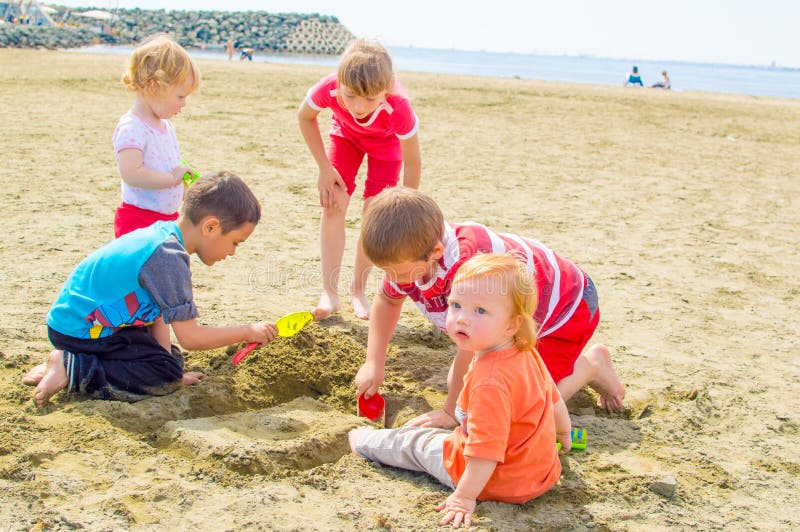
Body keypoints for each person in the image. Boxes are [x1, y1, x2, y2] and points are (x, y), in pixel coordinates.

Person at [354, 187, 625, 429]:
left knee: (520, 411)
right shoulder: (410, 254)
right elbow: (388, 300)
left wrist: (451, 412)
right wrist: (373, 363)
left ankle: (591, 365)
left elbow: (470, 343)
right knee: (464, 386)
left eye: (397, 272)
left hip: (566, 310)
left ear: (435, 252)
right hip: (503, 314)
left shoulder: (468, 266)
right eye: (384, 270)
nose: (392, 278)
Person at [349, 254, 572, 528]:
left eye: (480, 311)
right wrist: (562, 434)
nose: (462, 319)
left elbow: (485, 452)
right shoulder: (526, 351)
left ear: (511, 324)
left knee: (414, 442)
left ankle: (363, 442)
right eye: (456, 305)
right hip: (540, 473)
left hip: (494, 481)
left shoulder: (489, 380)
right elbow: (554, 401)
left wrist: (464, 497)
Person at [22, 172, 278, 407]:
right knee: (159, 375)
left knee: (170, 364)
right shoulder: (167, 257)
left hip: (100, 325)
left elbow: (155, 314)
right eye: (235, 242)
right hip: (80, 331)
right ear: (210, 227)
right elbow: (192, 338)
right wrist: (246, 331)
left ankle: (65, 364)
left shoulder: (167, 239)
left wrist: (170, 370)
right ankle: (71, 367)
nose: (233, 252)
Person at [298, 38, 422, 321]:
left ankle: (358, 290)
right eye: (351, 95)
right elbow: (304, 117)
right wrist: (324, 168)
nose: (359, 106)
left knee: (374, 216)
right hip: (345, 139)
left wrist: (405, 202)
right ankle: (329, 292)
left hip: (386, 149)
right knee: (333, 204)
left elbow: (413, 161)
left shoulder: (398, 107)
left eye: (370, 98)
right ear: (340, 83)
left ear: (386, 89)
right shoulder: (328, 88)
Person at [113, 35, 200, 238]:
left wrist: (183, 184)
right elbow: (131, 173)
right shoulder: (132, 126)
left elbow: (166, 163)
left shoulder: (165, 125)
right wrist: (171, 179)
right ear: (154, 87)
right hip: (139, 220)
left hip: (167, 218)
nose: (184, 103)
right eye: (180, 96)